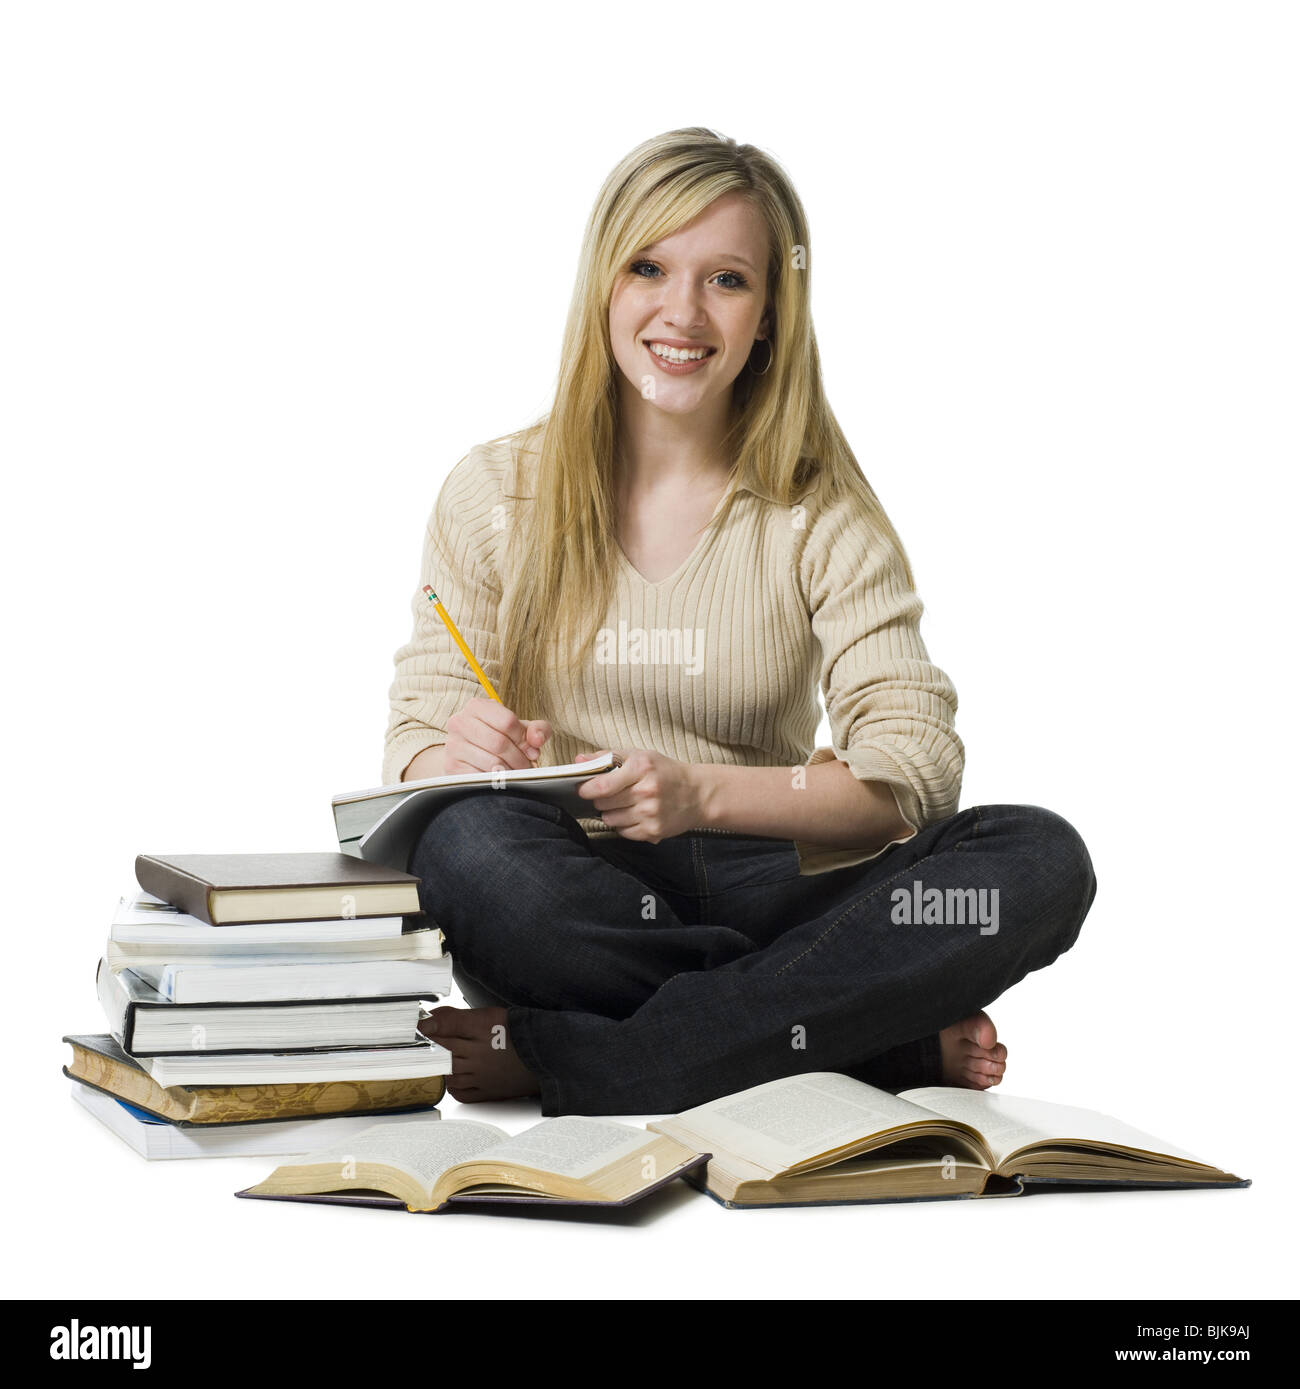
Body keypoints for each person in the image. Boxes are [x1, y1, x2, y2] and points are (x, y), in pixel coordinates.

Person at [384, 127, 1096, 1117]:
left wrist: (701, 798)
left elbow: (913, 771)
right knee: (462, 850)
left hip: (777, 885)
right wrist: (453, 757)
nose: (681, 312)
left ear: (769, 314)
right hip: (579, 897)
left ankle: (581, 1062)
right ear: (603, 284)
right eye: (648, 267)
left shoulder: (820, 510)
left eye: (726, 280)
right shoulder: (494, 492)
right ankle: (859, 1039)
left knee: (1038, 859)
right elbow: (412, 748)